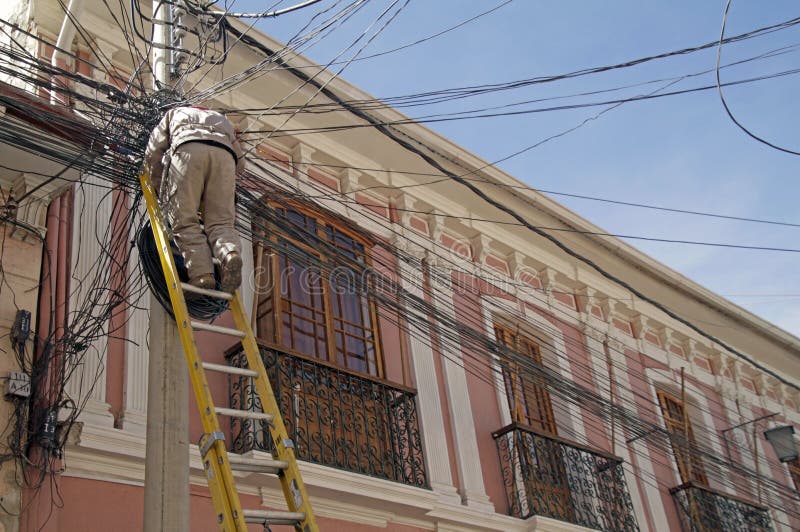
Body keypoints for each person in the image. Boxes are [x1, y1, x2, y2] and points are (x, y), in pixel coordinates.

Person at [144, 106, 245, 293]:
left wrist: (160, 189)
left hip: (188, 150)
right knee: (221, 222)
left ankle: (202, 275)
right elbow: (241, 164)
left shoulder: (173, 113)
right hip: (226, 158)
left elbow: (153, 152)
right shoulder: (222, 120)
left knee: (184, 220)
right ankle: (229, 253)